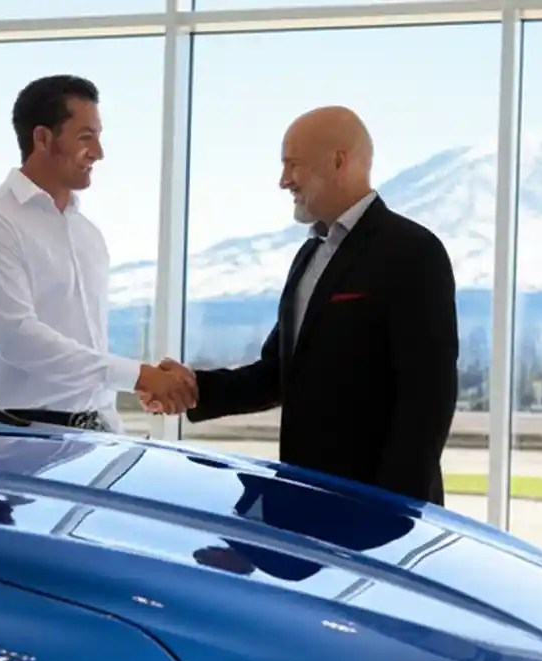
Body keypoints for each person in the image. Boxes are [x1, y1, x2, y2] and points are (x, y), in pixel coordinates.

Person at [152, 106, 458, 505]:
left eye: (291, 165)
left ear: (337, 161)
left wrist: (392, 512)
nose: (283, 181)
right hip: (308, 500)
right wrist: (195, 389)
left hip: (375, 510)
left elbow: (428, 398)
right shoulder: (309, 256)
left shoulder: (414, 252)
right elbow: (280, 374)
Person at [0, 74, 195, 433]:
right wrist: (138, 376)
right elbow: (17, 338)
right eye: (86, 137)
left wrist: (113, 424)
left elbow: (87, 345)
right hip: (15, 435)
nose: (98, 152)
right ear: (43, 138)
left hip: (94, 431)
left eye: (98, 137)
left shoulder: (87, 233)